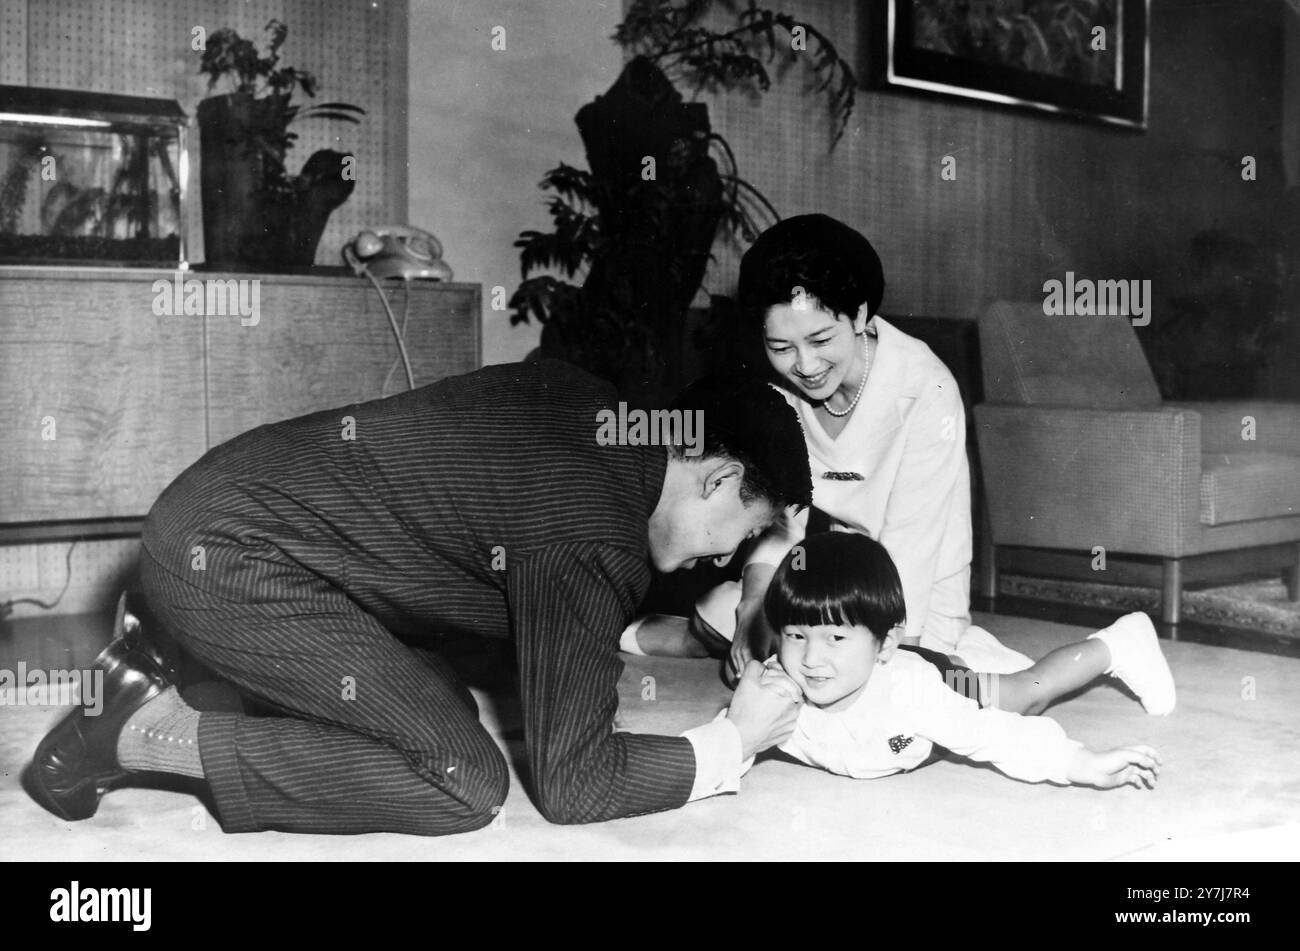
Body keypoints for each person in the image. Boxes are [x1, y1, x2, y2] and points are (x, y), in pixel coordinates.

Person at [28, 361, 812, 835]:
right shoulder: (592, 529)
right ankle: (138, 731)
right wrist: (729, 744)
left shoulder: (591, 410)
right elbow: (577, 783)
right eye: (749, 527)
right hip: (233, 562)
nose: (730, 551)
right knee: (461, 775)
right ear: (718, 479)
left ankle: (181, 659)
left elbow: (502, 566)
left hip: (219, 514)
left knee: (438, 696)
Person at [623, 214, 1033, 680]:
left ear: (859, 314)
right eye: (781, 346)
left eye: (821, 339)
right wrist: (752, 607)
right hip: (828, 579)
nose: (806, 365)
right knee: (736, 610)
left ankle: (703, 637)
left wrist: (895, 657)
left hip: (912, 594)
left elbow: (912, 552)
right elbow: (781, 522)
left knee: (903, 685)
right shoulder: (778, 393)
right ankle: (698, 634)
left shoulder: (925, 388)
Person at [744, 532, 1171, 788]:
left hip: (939, 674)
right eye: (795, 635)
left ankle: (1118, 642)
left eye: (834, 636)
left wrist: (1082, 765)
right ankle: (971, 648)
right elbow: (729, 739)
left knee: (1028, 693)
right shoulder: (778, 692)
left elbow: (998, 736)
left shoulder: (913, 693)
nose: (812, 658)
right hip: (901, 661)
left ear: (885, 642)